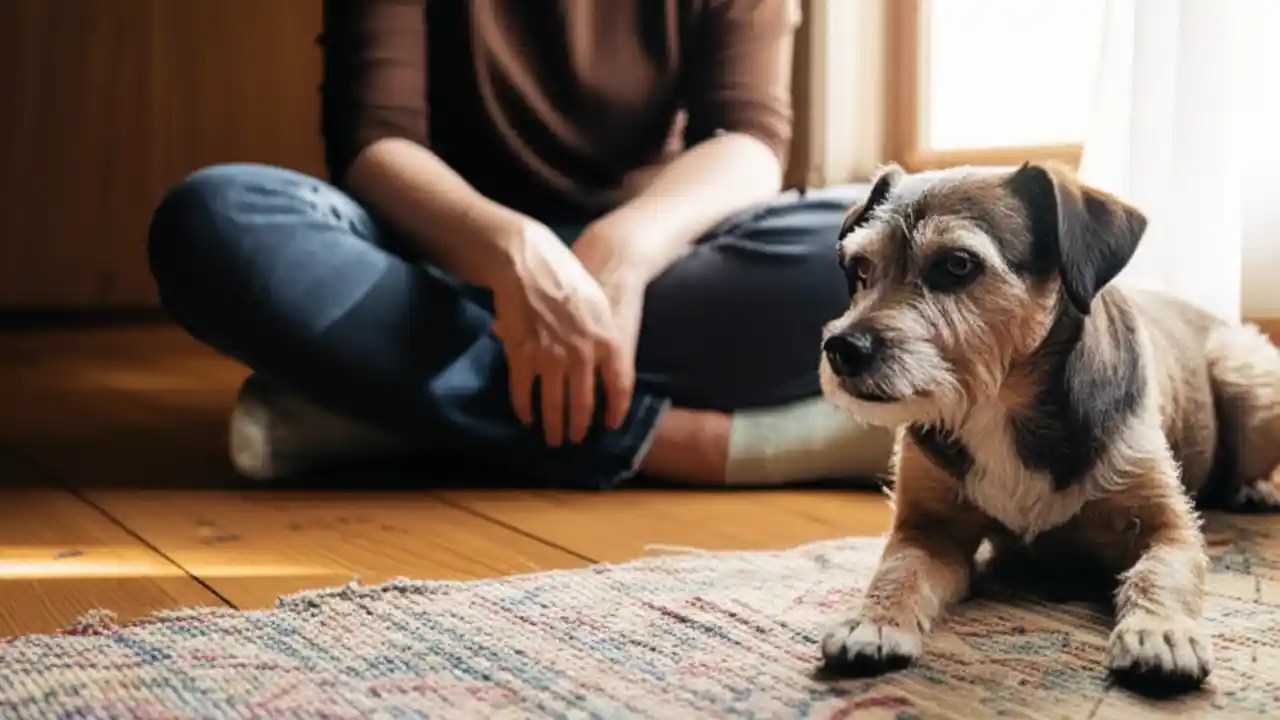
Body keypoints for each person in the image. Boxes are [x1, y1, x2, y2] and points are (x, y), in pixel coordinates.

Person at [146, 0, 894, 489]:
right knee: (216, 218)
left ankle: (384, 408)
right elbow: (376, 141)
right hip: (432, 260)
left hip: (654, 270)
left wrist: (622, 250)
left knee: (869, 243)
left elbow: (749, 142)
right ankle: (682, 442)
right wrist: (513, 255)